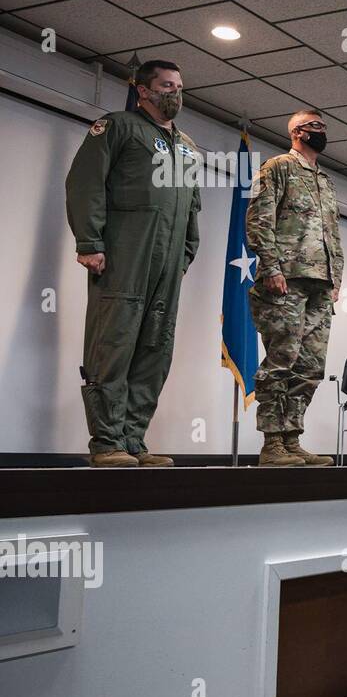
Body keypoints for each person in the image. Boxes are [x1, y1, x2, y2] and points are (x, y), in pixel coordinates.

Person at [65, 60, 201, 467]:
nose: (174, 93)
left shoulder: (187, 146)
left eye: (179, 86)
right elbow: (85, 181)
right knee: (114, 344)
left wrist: (187, 252)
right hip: (126, 254)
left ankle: (133, 441)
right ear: (143, 90)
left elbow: (192, 206)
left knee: (155, 349)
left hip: (168, 262)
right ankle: (107, 443)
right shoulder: (118, 127)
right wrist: (90, 240)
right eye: (165, 86)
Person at [245, 109, 344, 467]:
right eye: (315, 127)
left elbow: (332, 233)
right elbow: (259, 218)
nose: (322, 132)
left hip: (321, 283)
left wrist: (336, 278)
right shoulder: (277, 168)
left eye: (324, 127)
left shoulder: (326, 180)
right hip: (286, 280)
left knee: (310, 365)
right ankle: (272, 443)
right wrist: (270, 267)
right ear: (297, 132)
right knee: (281, 360)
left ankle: (292, 438)